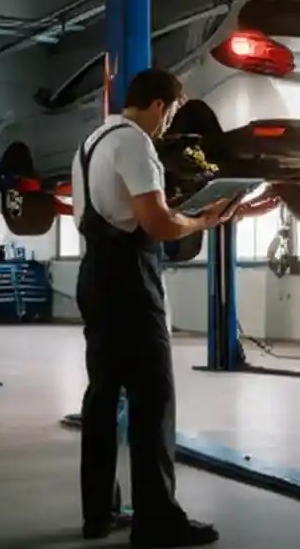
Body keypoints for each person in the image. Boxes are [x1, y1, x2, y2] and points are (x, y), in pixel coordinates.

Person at [73, 68, 231, 547]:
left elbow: (118, 207)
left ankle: (98, 513)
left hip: (95, 276)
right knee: (153, 399)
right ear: (161, 106)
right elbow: (158, 224)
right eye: (174, 112)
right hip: (129, 281)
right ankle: (156, 520)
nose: (170, 123)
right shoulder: (136, 143)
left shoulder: (93, 140)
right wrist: (201, 219)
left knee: (102, 397)